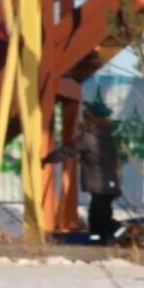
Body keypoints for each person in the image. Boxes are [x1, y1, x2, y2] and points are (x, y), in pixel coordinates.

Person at [48, 101, 123, 244]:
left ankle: (113, 235)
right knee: (101, 214)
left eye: (86, 116)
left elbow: (69, 150)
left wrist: (49, 158)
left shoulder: (89, 137)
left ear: (91, 118)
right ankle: (105, 238)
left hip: (99, 185)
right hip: (111, 184)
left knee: (97, 217)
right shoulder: (108, 136)